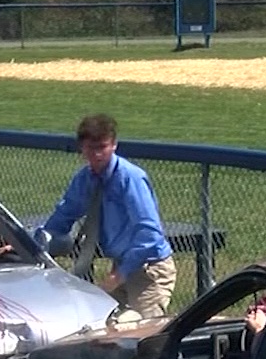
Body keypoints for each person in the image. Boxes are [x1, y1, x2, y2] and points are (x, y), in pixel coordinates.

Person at [37, 114, 178, 317]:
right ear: (82, 148)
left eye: (102, 147)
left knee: (143, 335)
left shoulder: (130, 178)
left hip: (148, 269)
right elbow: (63, 216)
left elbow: (149, 235)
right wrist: (31, 242)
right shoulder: (85, 179)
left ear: (114, 145)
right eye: (90, 148)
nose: (96, 155)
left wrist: (120, 275)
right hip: (121, 264)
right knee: (104, 327)